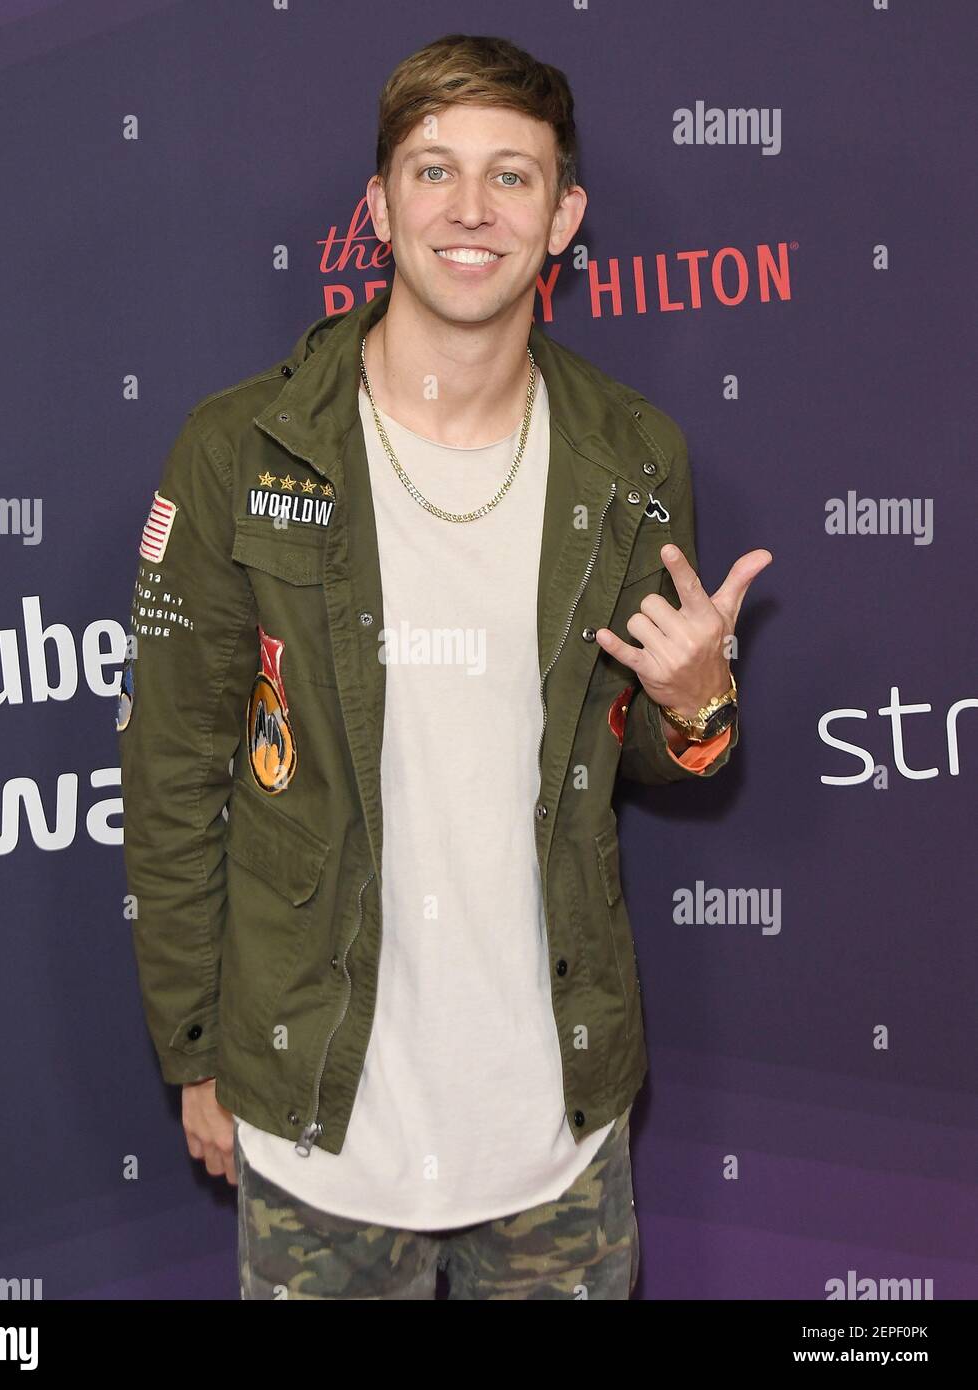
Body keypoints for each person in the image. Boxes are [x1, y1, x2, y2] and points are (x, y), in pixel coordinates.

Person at [118, 32, 770, 1300]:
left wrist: (698, 704)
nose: (469, 211)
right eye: (432, 172)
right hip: (319, 1130)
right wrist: (198, 1053)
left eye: (510, 177)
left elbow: (650, 754)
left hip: (552, 1133)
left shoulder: (634, 458)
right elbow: (174, 779)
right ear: (377, 208)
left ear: (564, 215)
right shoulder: (238, 452)